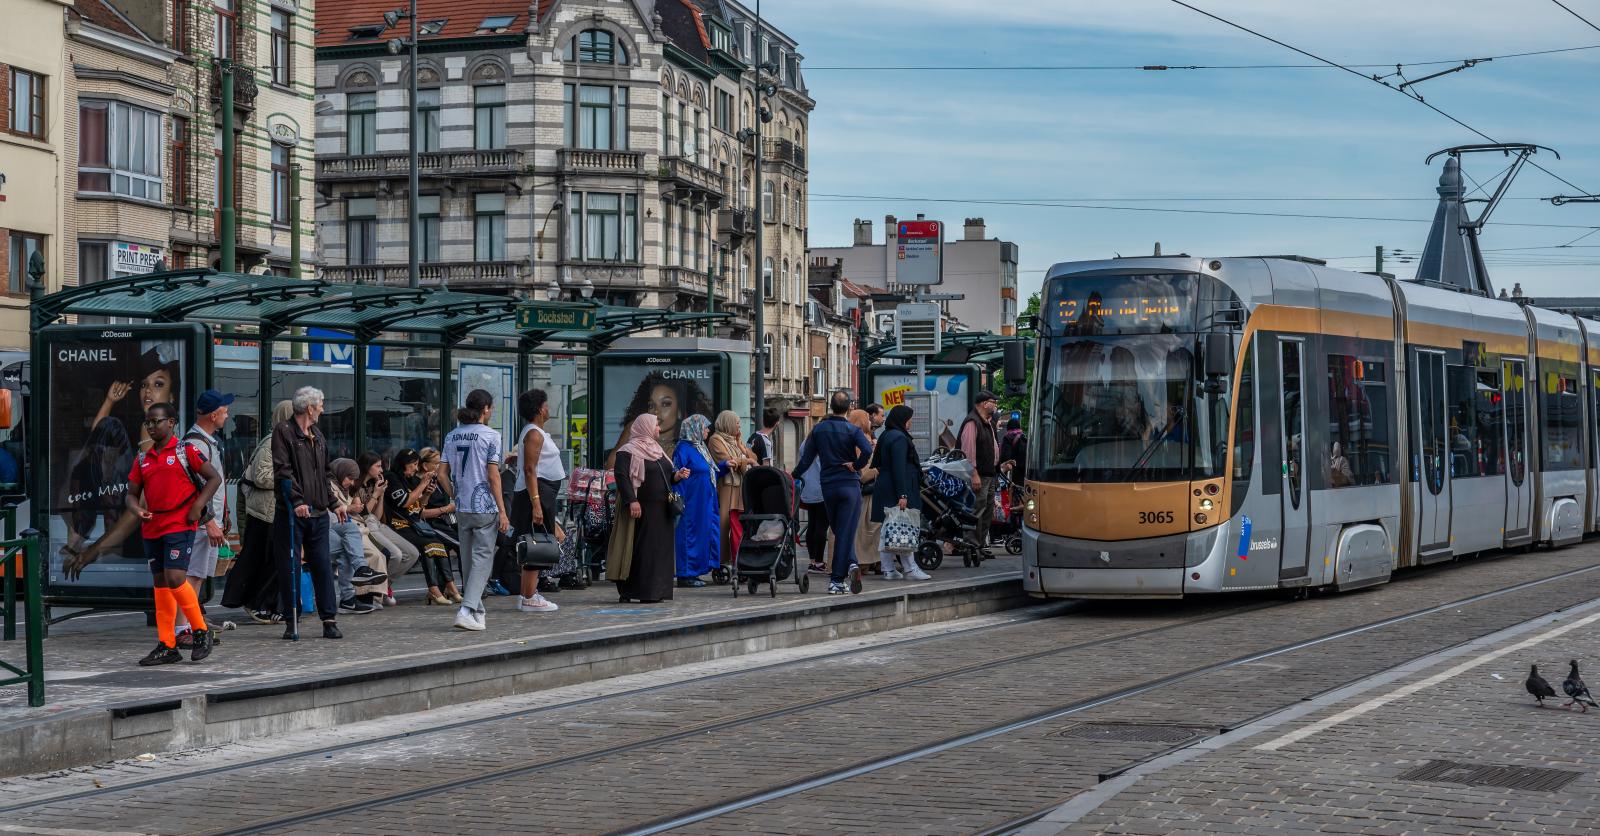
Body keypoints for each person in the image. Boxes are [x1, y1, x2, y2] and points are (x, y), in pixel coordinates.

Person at [127, 402, 222, 666]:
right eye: (148, 422)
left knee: (175, 576)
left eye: (157, 421)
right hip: (153, 526)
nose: (152, 426)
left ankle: (200, 630)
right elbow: (131, 494)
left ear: (171, 423)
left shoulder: (185, 450)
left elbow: (213, 478)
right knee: (160, 584)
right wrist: (136, 510)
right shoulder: (143, 458)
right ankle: (167, 644)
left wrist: (197, 507)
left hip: (180, 523)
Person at [271, 386, 342, 641]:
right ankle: (292, 619)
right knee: (289, 566)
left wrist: (334, 503)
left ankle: (329, 619)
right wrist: (297, 500)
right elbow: (283, 470)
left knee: (322, 565)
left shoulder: (318, 435)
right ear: (310, 408)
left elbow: (325, 474)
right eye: (320, 405)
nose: (322, 409)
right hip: (292, 514)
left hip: (319, 513)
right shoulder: (284, 432)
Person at [438, 389, 511, 632]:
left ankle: (477, 609)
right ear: (486, 409)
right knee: (482, 558)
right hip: (485, 505)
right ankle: (467, 609)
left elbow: (441, 474)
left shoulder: (452, 436)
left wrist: (454, 495)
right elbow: (493, 476)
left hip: (463, 506)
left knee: (468, 560)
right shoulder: (491, 436)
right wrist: (502, 510)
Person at [792, 391, 872, 595]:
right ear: (849, 407)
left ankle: (852, 563)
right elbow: (868, 450)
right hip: (849, 485)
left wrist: (793, 476)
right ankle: (837, 580)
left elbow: (807, 459)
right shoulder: (852, 430)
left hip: (828, 486)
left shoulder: (819, 430)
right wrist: (856, 465)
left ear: (830, 406)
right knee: (845, 531)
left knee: (839, 530)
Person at [174, 390, 234, 647]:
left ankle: (192, 622)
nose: (227, 414)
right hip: (200, 522)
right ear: (213, 414)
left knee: (197, 575)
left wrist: (224, 513)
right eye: (224, 410)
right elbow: (195, 486)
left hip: (208, 519)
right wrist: (209, 520)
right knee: (191, 575)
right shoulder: (196, 444)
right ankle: (182, 628)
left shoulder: (206, 441)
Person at [223, 399, 292, 623]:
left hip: (277, 511)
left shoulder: (289, 442)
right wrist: (292, 480)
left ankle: (271, 603)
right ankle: (255, 602)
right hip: (264, 513)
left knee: (274, 561)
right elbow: (262, 477)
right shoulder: (270, 443)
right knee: (261, 560)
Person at [608, 414, 687, 603]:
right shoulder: (627, 451)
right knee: (641, 549)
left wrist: (676, 476)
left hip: (661, 511)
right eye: (656, 425)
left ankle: (658, 591)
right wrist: (632, 501)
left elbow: (664, 476)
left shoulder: (658, 450)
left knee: (660, 550)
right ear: (645, 427)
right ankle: (636, 590)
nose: (659, 428)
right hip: (640, 511)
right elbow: (622, 477)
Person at [385, 448, 461, 605]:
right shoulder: (392, 478)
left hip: (413, 524)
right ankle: (434, 589)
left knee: (437, 543)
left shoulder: (412, 480)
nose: (415, 468)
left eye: (416, 464)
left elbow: (418, 509)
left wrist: (426, 494)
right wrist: (423, 485)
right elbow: (404, 501)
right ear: (403, 464)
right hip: (397, 525)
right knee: (429, 544)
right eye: (412, 464)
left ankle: (451, 588)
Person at [511, 388, 562, 614]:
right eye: (546, 405)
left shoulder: (536, 432)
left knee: (536, 540)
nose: (548, 408)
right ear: (540, 409)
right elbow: (530, 469)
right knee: (536, 543)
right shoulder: (533, 433)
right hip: (537, 492)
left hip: (542, 492)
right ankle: (530, 596)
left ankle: (526, 594)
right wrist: (537, 503)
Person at [872, 404, 931, 581]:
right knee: (906, 527)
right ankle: (910, 568)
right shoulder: (899, 438)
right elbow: (899, 467)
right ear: (903, 420)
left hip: (887, 486)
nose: (911, 421)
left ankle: (888, 569)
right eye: (909, 418)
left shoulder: (887, 434)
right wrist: (902, 494)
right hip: (897, 487)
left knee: (888, 529)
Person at [608, 372, 715, 465]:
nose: (656, 411)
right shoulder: (635, 428)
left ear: (680, 411)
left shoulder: (689, 440)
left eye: (665, 404)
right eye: (651, 405)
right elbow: (612, 467)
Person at [672, 413, 728, 587]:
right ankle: (686, 574)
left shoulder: (700, 448)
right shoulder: (683, 449)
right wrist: (679, 502)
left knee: (702, 535)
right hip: (691, 503)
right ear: (694, 429)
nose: (707, 431)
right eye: (704, 427)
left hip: (705, 502)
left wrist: (725, 466)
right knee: (689, 536)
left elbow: (709, 472)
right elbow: (676, 475)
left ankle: (697, 571)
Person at [328, 458, 389, 614]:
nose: (352, 482)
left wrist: (379, 495)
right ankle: (352, 597)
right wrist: (350, 508)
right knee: (349, 549)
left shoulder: (343, 489)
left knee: (350, 530)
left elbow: (371, 515)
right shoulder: (328, 485)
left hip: (349, 528)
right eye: (350, 478)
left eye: (355, 479)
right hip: (324, 528)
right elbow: (330, 515)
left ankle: (362, 572)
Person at [355, 451, 413, 606]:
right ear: (367, 467)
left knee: (412, 553)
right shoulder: (357, 485)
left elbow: (377, 515)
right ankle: (378, 591)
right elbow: (363, 513)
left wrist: (381, 496)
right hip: (364, 524)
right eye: (378, 466)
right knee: (396, 555)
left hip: (376, 522)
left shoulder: (374, 484)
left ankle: (384, 586)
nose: (381, 470)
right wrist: (375, 494)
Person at [959, 390, 1012, 553]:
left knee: (987, 512)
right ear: (983, 403)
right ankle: (972, 545)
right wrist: (973, 473)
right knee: (977, 510)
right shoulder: (972, 422)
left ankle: (980, 544)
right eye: (993, 402)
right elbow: (968, 451)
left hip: (989, 474)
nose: (995, 405)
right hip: (979, 475)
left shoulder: (986, 422)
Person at [708, 411, 758, 570]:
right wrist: (746, 461)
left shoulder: (735, 440)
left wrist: (741, 447)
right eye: (736, 422)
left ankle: (736, 558)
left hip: (739, 487)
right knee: (724, 524)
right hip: (726, 487)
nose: (738, 426)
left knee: (736, 524)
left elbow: (754, 458)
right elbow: (728, 461)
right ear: (727, 423)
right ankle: (723, 560)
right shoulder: (716, 440)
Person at [847, 409, 882, 575]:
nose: (870, 421)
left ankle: (873, 560)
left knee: (872, 527)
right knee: (863, 528)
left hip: (871, 490)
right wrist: (877, 469)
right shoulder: (856, 441)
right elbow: (862, 471)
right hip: (864, 489)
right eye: (867, 419)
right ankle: (863, 561)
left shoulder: (868, 438)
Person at [797, 433, 829, 573]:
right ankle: (819, 562)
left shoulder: (805, 442)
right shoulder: (823, 443)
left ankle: (812, 560)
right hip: (822, 487)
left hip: (808, 487)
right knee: (822, 526)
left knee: (813, 524)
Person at [1000, 418, 1028, 485]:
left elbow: (1005, 456)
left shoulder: (1008, 437)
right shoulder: (1023, 436)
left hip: (1012, 471)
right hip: (1024, 471)